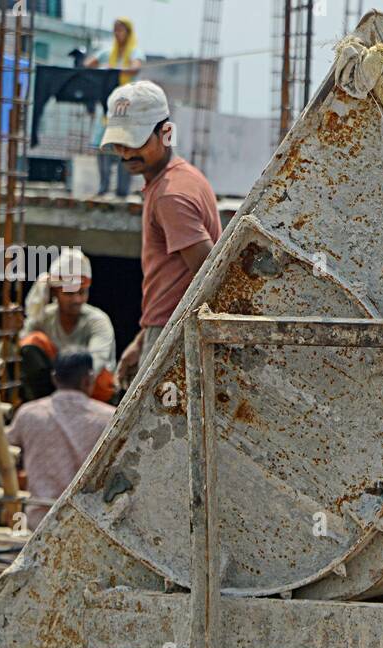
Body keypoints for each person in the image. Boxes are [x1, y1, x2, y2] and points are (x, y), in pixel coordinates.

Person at [98, 81, 220, 388]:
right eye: (120, 143)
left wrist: (162, 342)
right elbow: (175, 283)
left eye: (135, 141)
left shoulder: (170, 196)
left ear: (165, 133)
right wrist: (142, 341)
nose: (126, 153)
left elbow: (213, 276)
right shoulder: (180, 179)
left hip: (173, 334)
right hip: (164, 329)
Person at [7, 352, 116, 527]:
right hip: (88, 523)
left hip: (38, 520)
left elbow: (6, 451)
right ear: (88, 380)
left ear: (54, 378)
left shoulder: (29, 414)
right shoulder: (111, 419)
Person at [19, 248, 117, 404]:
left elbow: (97, 361)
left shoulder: (98, 320)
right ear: (56, 294)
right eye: (70, 294)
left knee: (97, 373)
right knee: (33, 341)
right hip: (56, 387)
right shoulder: (44, 318)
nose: (77, 299)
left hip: (92, 390)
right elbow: (24, 344)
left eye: (82, 292)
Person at [86, 17, 144, 198]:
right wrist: (105, 69)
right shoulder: (107, 52)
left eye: (121, 30)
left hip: (126, 108)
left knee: (125, 149)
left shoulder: (135, 52)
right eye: (116, 30)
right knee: (102, 146)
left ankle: (122, 191)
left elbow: (135, 68)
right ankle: (103, 187)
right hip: (107, 108)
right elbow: (89, 64)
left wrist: (118, 71)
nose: (118, 34)